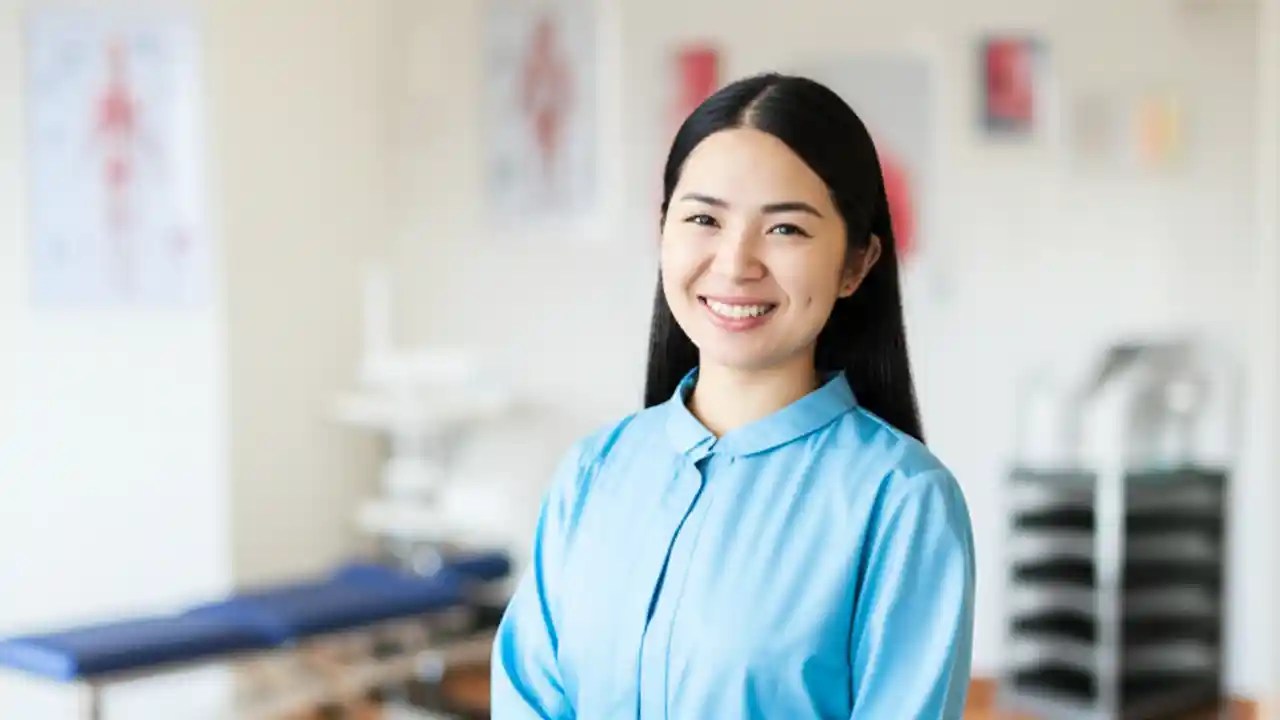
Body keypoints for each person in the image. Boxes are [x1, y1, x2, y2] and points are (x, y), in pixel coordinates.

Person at [490, 72, 975, 719]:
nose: (736, 263)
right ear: (663, 231)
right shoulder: (592, 474)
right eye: (703, 219)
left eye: (786, 229)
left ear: (856, 263)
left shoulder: (902, 501)